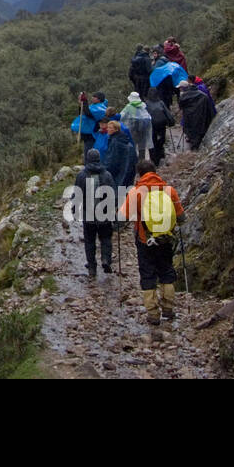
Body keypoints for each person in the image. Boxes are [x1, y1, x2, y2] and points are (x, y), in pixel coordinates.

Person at [119, 160, 184, 325]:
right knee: (167, 271)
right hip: (165, 239)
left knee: (147, 274)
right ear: (155, 172)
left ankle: (153, 314)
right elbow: (181, 217)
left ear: (139, 174)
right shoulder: (169, 190)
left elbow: (124, 216)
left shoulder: (136, 192)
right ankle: (168, 309)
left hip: (144, 240)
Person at [73, 148, 115, 276]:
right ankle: (105, 259)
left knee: (90, 240)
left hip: (88, 214)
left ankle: (92, 266)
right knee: (106, 238)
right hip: (105, 213)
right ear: (99, 159)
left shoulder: (81, 175)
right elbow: (113, 194)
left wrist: (75, 210)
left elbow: (77, 195)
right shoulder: (107, 175)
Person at [177, 79, 217, 150]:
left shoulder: (183, 97)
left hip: (189, 119)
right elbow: (209, 107)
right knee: (199, 133)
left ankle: (193, 148)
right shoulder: (203, 95)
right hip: (201, 118)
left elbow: (181, 107)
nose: (179, 89)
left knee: (192, 134)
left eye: (180, 88)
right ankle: (197, 148)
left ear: (183, 88)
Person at [120, 91, 153, 163]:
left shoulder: (129, 107)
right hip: (143, 129)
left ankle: (134, 163)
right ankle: (142, 162)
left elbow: (121, 116)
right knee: (142, 146)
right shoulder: (143, 105)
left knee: (133, 146)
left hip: (133, 129)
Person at [102, 120, 136, 190]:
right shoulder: (123, 138)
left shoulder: (115, 142)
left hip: (119, 173)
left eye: (110, 128)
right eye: (108, 127)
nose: (108, 129)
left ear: (116, 129)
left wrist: (104, 169)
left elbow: (112, 160)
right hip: (127, 171)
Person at [145, 87, 174, 166]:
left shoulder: (146, 103)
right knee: (161, 139)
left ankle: (154, 159)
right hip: (161, 124)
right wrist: (171, 121)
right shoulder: (161, 102)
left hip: (151, 125)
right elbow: (167, 112)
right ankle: (160, 153)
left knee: (152, 140)